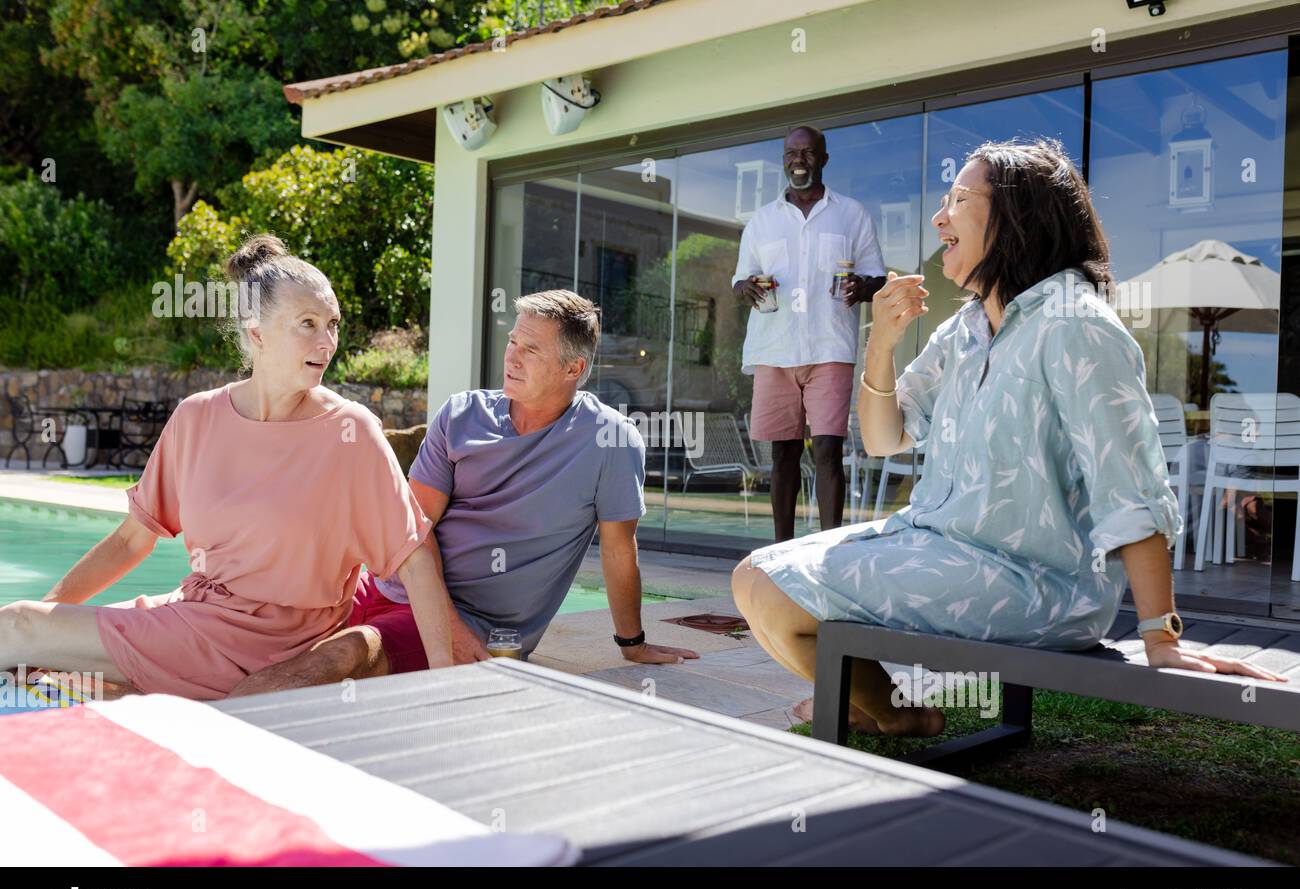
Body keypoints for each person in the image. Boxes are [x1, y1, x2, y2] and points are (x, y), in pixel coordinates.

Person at [731, 139, 1288, 737]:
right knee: (751, 578)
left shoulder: (1076, 325)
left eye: (959, 200)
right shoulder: (967, 327)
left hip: (1036, 582)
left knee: (772, 589)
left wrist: (1161, 635)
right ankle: (896, 715)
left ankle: (882, 711)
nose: (939, 218)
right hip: (941, 544)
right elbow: (885, 437)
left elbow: (1132, 486)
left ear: (1016, 217)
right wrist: (882, 344)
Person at [0, 234, 453, 700]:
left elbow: (415, 560)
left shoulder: (351, 430)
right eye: (309, 324)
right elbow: (131, 540)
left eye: (333, 324)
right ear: (256, 332)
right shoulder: (196, 418)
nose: (328, 341)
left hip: (274, 650)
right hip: (190, 622)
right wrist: (46, 612)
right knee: (30, 646)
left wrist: (450, 689)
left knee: (15, 630)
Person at [228, 290, 698, 697]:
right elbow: (412, 529)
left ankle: (201, 753)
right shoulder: (462, 415)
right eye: (513, 341)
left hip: (471, 620)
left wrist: (631, 642)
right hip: (380, 584)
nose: (511, 356)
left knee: (338, 660)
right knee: (239, 621)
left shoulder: (608, 441)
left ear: (573, 367)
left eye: (530, 349)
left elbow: (619, 548)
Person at [732, 124, 887, 542]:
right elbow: (739, 280)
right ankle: (782, 550)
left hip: (829, 347)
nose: (798, 160)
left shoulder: (851, 214)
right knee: (782, 456)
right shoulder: (761, 222)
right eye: (791, 153)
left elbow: (876, 276)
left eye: (807, 153)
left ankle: (828, 550)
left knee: (827, 451)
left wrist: (864, 287)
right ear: (783, 159)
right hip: (774, 349)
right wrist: (745, 287)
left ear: (824, 158)